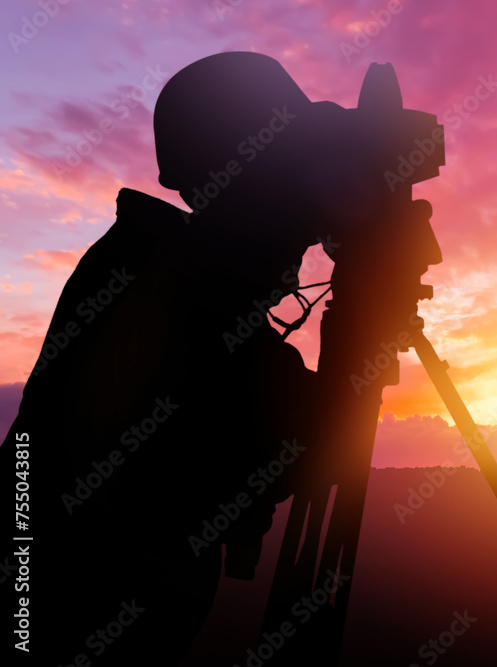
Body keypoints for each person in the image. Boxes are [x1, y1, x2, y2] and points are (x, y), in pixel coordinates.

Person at [0, 51, 398, 665]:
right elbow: (301, 450)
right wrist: (359, 322)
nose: (310, 220)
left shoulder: (150, 267)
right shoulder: (176, 292)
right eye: (294, 180)